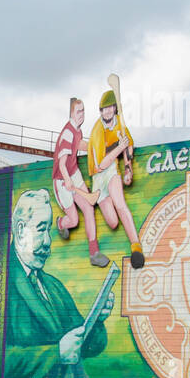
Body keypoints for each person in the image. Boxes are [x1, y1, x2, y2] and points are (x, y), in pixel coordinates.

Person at [5, 189, 113, 378]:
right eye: (41, 229)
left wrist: (97, 321)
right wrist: (58, 353)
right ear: (20, 230)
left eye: (49, 231)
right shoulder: (1, 285)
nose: (48, 242)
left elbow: (85, 345)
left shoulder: (53, 287)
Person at [87, 89, 146, 269]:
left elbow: (129, 145)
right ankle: (110, 200)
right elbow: (101, 164)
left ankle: (136, 248)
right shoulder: (97, 130)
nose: (106, 112)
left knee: (120, 203)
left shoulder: (120, 123)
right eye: (103, 109)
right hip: (98, 177)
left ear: (114, 108)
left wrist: (128, 168)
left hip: (112, 170)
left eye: (109, 108)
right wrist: (120, 148)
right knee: (113, 222)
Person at [52, 97, 108, 266]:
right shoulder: (68, 133)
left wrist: (97, 147)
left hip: (74, 173)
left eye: (83, 111)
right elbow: (61, 163)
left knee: (89, 208)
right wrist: (68, 181)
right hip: (62, 180)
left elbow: (80, 145)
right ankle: (61, 224)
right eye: (78, 111)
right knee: (74, 220)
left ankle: (94, 253)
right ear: (71, 113)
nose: (81, 114)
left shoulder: (77, 130)